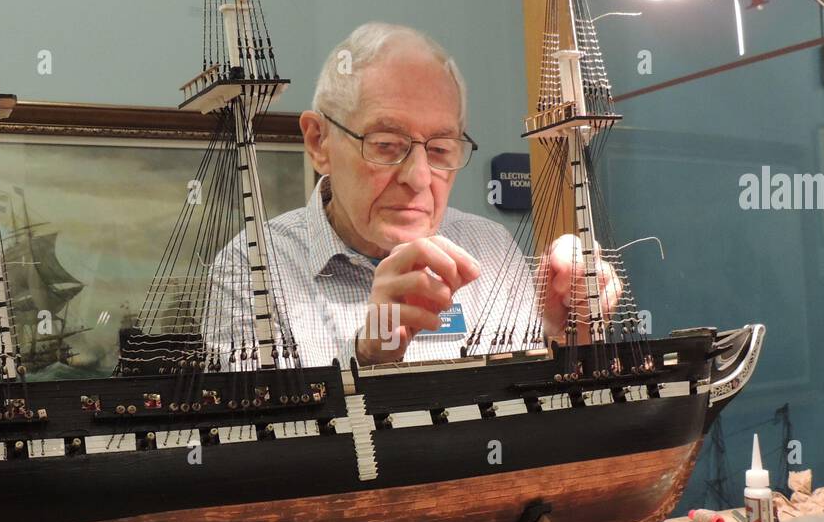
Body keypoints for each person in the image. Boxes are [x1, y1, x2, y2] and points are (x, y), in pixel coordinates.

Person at [206, 21, 619, 369]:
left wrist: (561, 335)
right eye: (386, 145)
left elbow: (530, 419)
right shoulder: (251, 269)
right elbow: (266, 444)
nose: (420, 178)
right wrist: (366, 358)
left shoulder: (492, 249)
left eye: (440, 149)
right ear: (319, 142)